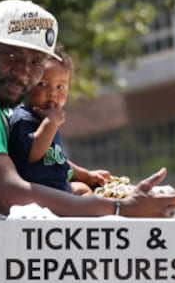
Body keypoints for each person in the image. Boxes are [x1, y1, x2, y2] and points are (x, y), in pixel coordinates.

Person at [0, 0, 175, 217]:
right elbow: (5, 195)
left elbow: (31, 167)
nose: (23, 73)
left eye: (36, 62)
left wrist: (97, 184)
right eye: (12, 55)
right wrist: (119, 208)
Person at [6, 46, 110, 195]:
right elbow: (32, 153)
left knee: (85, 189)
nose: (52, 93)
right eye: (43, 84)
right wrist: (51, 123)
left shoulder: (46, 120)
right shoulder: (23, 118)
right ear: (26, 84)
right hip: (40, 193)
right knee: (91, 199)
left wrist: (87, 175)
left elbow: (58, 160)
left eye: (60, 87)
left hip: (58, 188)